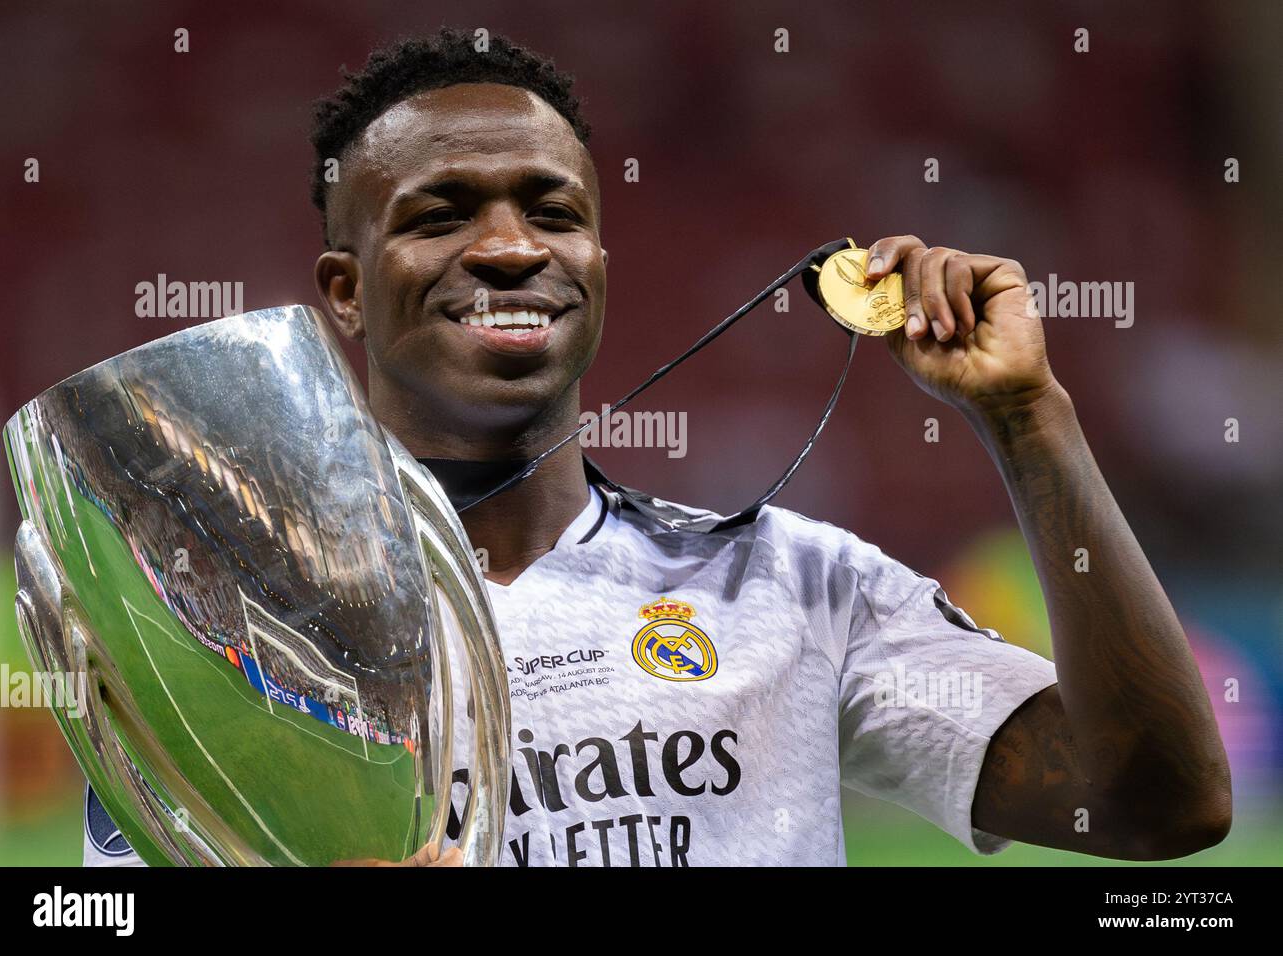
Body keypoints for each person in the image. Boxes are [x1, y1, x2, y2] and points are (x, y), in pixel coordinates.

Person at [84, 28, 1230, 867]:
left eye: (553, 212)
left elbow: (1156, 805)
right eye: (440, 214)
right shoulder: (231, 637)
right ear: (344, 288)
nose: (509, 247)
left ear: (597, 264)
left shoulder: (795, 584)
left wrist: (1029, 419)